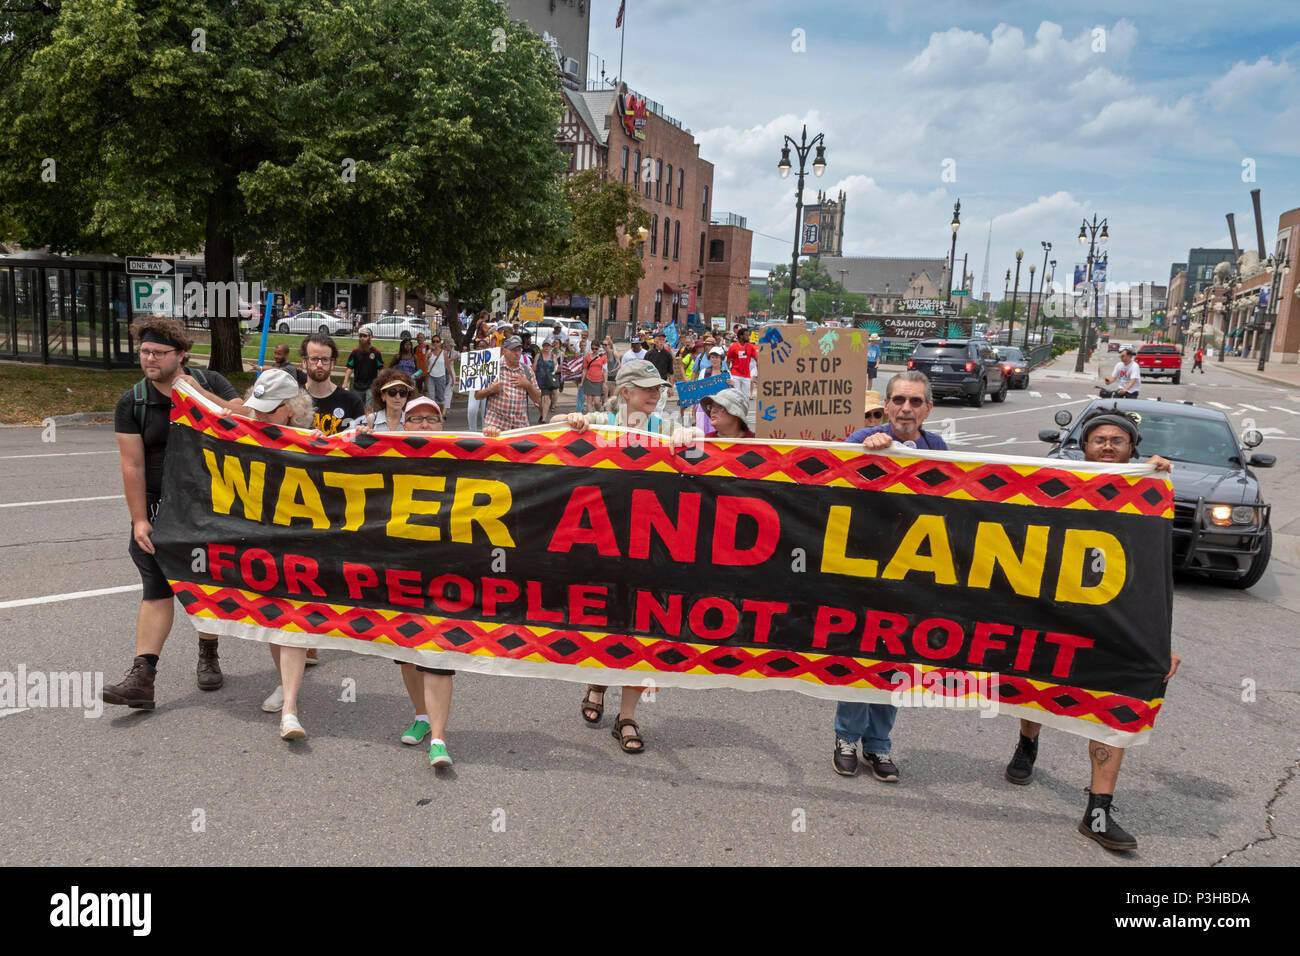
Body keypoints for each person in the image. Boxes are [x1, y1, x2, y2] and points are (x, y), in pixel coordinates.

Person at [1004, 405, 1175, 851]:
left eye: (1118, 441)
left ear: (1132, 448)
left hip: (1114, 617)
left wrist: (1161, 639)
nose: (1107, 447)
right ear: (1084, 446)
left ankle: (1097, 810)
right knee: (1038, 683)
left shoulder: (1146, 492)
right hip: (1054, 608)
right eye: (1099, 440)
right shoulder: (1058, 482)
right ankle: (1027, 743)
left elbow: (1156, 576)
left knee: (1115, 701)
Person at [557, 359, 700, 753]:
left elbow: (699, 446)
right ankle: (597, 684)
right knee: (604, 619)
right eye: (648, 388)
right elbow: (559, 436)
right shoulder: (599, 422)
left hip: (652, 545)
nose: (657, 394)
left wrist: (691, 435)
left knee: (645, 626)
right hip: (602, 543)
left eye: (659, 388)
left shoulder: (665, 428)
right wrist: (573, 423)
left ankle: (628, 716)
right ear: (625, 393)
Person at [103, 317, 244, 710]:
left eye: (159, 353)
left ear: (181, 355)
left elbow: (242, 419)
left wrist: (196, 393)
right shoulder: (133, 401)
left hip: (210, 507)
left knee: (205, 582)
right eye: (145, 352)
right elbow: (131, 464)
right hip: (159, 509)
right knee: (156, 586)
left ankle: (208, 651)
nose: (150, 359)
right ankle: (142, 678)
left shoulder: (210, 381)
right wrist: (139, 520)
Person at [830, 371, 947, 781]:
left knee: (896, 657)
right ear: (887, 403)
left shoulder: (939, 448)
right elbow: (830, 483)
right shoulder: (862, 439)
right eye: (899, 400)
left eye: (916, 402)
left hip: (912, 574)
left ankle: (878, 746)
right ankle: (847, 738)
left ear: (928, 409)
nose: (906, 409)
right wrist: (865, 452)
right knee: (860, 653)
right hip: (862, 568)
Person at [217, 368, 317, 739]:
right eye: (257, 408)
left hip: (299, 545)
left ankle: (290, 709)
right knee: (273, 620)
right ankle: (284, 686)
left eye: (269, 410)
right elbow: (221, 412)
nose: (259, 416)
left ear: (290, 409)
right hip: (259, 542)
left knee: (290, 621)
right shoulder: (246, 433)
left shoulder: (312, 441)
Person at [383, 394, 457, 766]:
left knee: (438, 651)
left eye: (433, 419)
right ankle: (422, 717)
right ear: (404, 424)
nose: (425, 426)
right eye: (417, 419)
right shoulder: (384, 454)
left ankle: (440, 739)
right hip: (399, 569)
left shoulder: (465, 453)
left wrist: (493, 437)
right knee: (407, 652)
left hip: (446, 570)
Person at [301, 333, 366, 435]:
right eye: (314, 359)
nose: (319, 364)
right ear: (304, 362)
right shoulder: (293, 400)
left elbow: (358, 444)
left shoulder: (352, 402)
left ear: (332, 363)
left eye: (325, 359)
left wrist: (363, 434)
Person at [478, 335, 541, 432]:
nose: (517, 353)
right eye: (513, 350)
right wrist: (490, 390)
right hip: (495, 426)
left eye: (519, 350)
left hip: (520, 427)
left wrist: (527, 385)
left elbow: (538, 399)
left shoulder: (527, 370)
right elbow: (477, 395)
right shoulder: (492, 368)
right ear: (504, 351)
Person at [341, 329, 384, 409]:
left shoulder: (376, 352)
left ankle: (368, 421)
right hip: (358, 386)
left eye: (365, 336)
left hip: (371, 386)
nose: (362, 338)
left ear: (370, 337)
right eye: (361, 336)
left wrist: (382, 383)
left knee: (369, 408)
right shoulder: (355, 352)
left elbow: (381, 369)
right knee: (358, 408)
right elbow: (349, 368)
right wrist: (345, 382)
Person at [694, 345, 729, 434]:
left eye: (717, 357)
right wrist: (692, 408)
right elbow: (698, 390)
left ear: (721, 359)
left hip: (720, 407)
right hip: (704, 406)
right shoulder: (704, 372)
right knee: (703, 433)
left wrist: (732, 384)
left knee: (718, 433)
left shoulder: (726, 373)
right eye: (712, 357)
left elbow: (731, 393)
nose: (714, 359)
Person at [726, 326, 758, 400]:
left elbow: (757, 359)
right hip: (735, 374)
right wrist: (728, 374)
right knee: (736, 397)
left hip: (746, 375)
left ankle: (744, 411)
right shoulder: (733, 347)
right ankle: (736, 411)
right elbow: (728, 361)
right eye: (746, 335)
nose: (748, 337)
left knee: (745, 397)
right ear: (741, 336)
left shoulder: (751, 346)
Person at [535, 339, 560, 424]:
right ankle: (542, 414)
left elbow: (557, 367)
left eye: (548, 345)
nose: (546, 347)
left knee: (547, 398)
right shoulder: (538, 355)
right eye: (545, 345)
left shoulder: (554, 356)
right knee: (538, 401)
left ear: (551, 347)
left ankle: (544, 419)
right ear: (542, 346)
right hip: (538, 380)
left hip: (548, 381)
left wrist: (553, 373)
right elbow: (533, 367)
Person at [427, 336, 454, 412]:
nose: (435, 343)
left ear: (440, 342)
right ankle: (433, 414)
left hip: (441, 377)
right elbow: (425, 367)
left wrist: (452, 378)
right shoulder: (429, 352)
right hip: (431, 377)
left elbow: (448, 367)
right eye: (434, 341)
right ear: (432, 342)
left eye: (437, 341)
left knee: (440, 398)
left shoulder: (443, 353)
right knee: (431, 397)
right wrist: (427, 358)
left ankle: (441, 414)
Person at [580, 339, 607, 413]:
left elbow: (605, 370)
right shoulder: (588, 356)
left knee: (597, 402)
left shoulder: (603, 357)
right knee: (589, 400)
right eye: (592, 348)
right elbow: (585, 369)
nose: (594, 350)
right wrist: (582, 382)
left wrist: (605, 382)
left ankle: (598, 412)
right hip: (589, 379)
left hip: (598, 381)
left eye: (596, 348)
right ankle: (590, 417)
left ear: (599, 348)